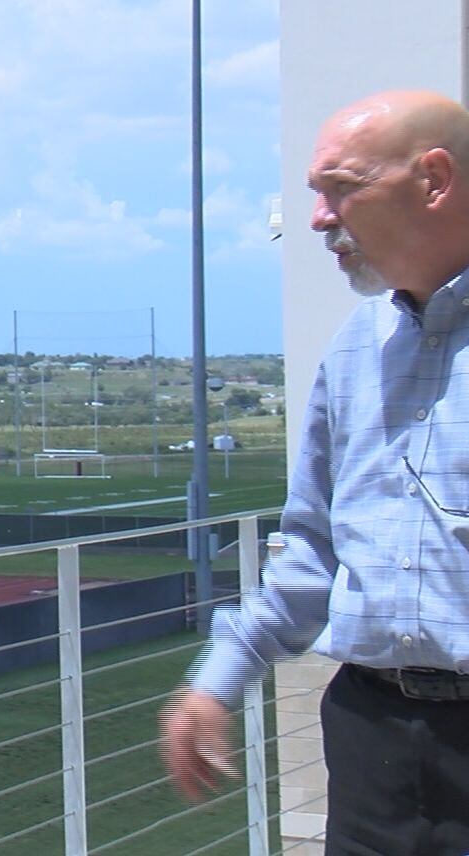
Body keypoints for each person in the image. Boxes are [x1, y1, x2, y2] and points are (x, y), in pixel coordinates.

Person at [160, 89, 469, 853]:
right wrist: (219, 677)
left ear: (434, 180)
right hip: (373, 746)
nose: (320, 219)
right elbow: (313, 549)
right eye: (317, 194)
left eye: (342, 188)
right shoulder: (356, 350)